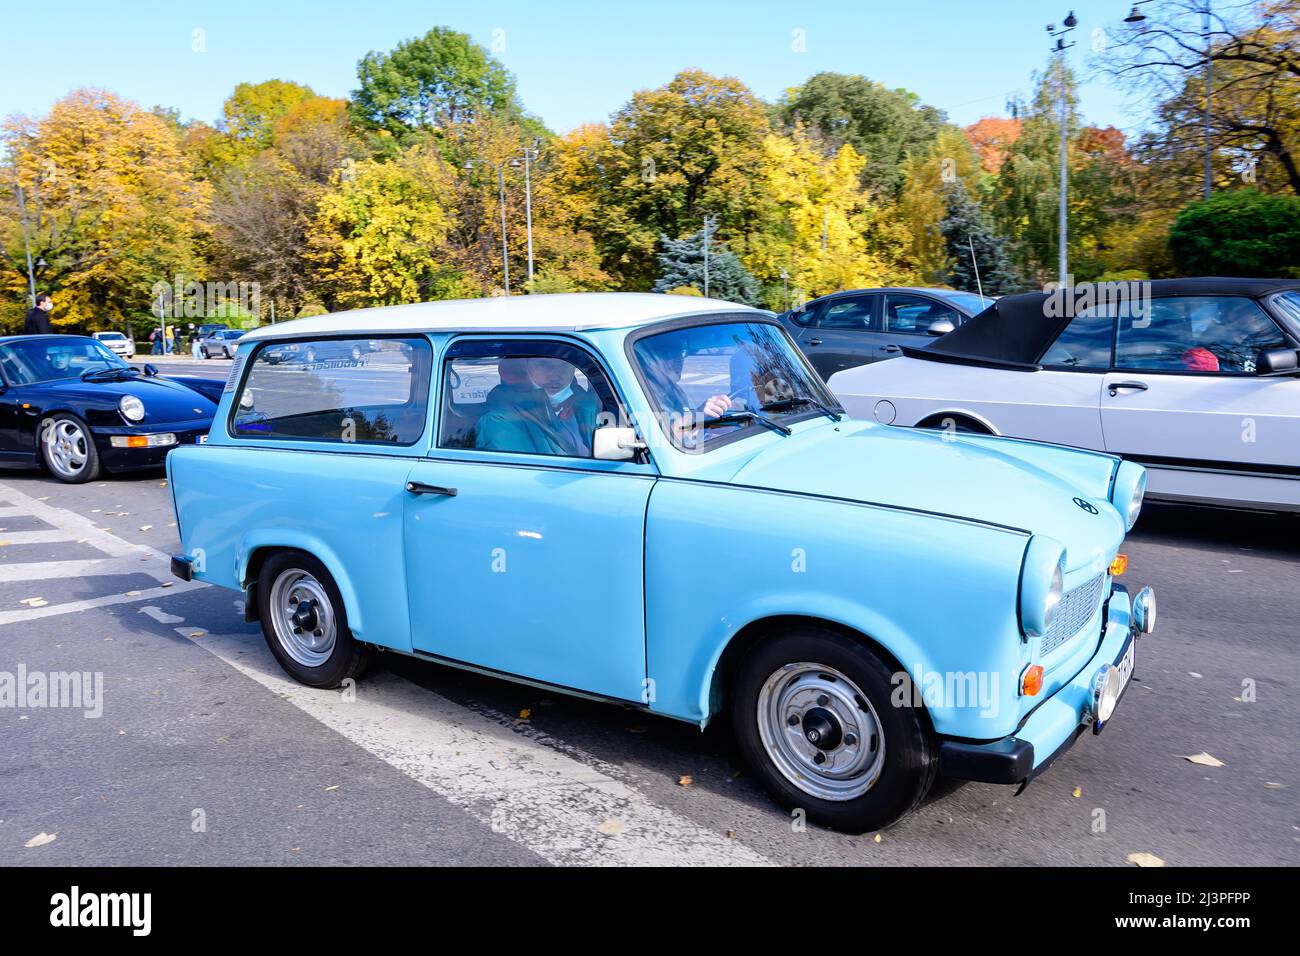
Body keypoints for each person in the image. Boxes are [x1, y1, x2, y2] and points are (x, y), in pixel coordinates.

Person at [477, 356, 603, 457]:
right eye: (544, 365)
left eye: (564, 364)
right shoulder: (499, 421)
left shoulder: (590, 404)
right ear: (524, 369)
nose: (555, 375)